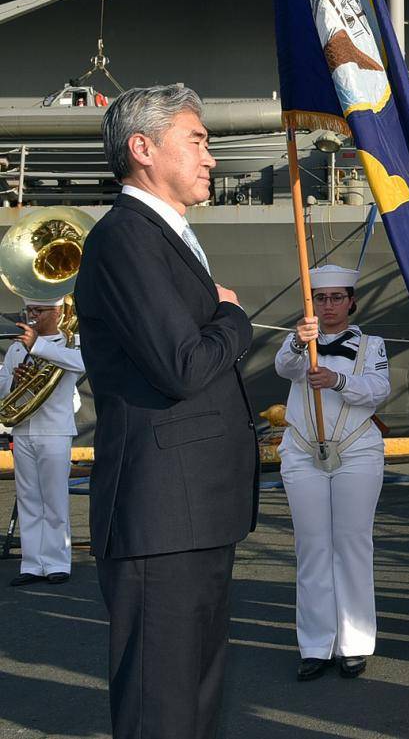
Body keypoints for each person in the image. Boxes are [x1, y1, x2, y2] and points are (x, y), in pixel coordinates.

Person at [77, 84, 257, 739]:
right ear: (143, 147)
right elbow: (181, 364)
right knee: (163, 707)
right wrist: (235, 317)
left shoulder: (163, 235)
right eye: (197, 138)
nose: (210, 155)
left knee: (194, 702)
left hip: (192, 512)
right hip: (161, 517)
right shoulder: (127, 237)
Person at [275, 264, 390, 682]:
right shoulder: (300, 341)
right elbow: (283, 368)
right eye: (320, 298)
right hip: (305, 452)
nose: (328, 305)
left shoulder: (371, 345)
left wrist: (338, 380)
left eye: (336, 297)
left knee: (352, 544)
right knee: (312, 548)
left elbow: (378, 391)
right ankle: (315, 644)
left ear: (351, 302)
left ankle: (355, 642)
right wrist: (295, 340)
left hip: (356, 450)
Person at [3, 293, 83, 588]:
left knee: (54, 499)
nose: (32, 314)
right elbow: (2, 390)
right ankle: (32, 563)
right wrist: (14, 380)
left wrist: (38, 345)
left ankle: (57, 562)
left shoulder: (71, 344)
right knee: (28, 498)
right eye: (30, 309)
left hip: (55, 430)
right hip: (23, 429)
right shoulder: (16, 349)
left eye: (39, 309)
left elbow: (82, 364)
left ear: (59, 311)